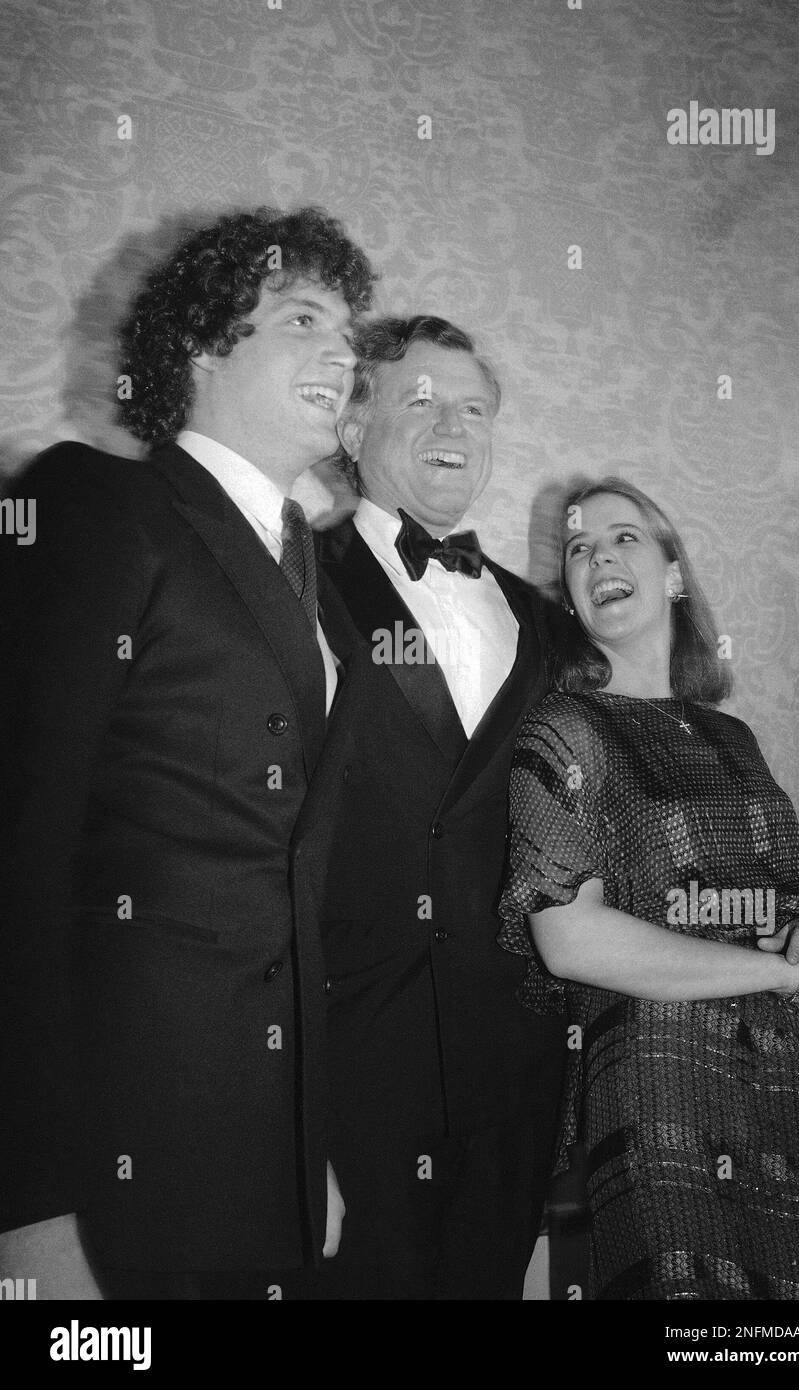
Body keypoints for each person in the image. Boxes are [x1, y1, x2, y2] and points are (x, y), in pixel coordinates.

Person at [0, 206, 376, 1299]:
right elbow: (19, 852)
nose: (343, 352)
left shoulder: (325, 587)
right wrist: (26, 1198)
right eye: (302, 317)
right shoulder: (93, 502)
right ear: (204, 345)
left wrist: (312, 1155)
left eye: (349, 331)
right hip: (118, 1144)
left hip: (271, 1157)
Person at [498, 476, 799, 1301]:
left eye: (624, 537)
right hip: (663, 1075)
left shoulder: (732, 735)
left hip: (795, 1061)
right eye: (578, 548)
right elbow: (569, 939)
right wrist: (773, 970)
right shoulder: (561, 728)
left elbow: (791, 902)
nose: (597, 556)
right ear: (574, 602)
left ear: (673, 574)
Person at [303, 315, 569, 1300]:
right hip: (350, 1063)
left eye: (474, 405)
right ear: (353, 423)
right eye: (419, 397)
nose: (452, 422)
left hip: (517, 1063)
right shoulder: (287, 573)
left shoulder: (544, 619)